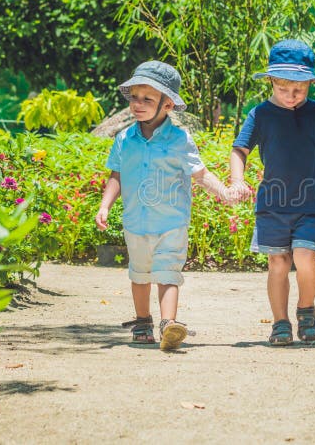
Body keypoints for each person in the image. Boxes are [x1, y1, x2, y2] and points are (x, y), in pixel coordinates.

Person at [227, 39, 315, 346]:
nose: (291, 96)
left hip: (310, 202)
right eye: (284, 88)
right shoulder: (260, 114)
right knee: (278, 263)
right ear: (272, 81)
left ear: (311, 84)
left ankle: (306, 309)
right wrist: (237, 180)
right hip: (272, 205)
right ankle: (280, 323)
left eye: (299, 89)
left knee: (305, 256)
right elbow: (240, 150)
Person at [96, 60, 227, 351]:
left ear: (167, 105)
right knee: (140, 273)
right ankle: (143, 322)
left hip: (171, 222)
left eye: (148, 99)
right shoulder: (123, 139)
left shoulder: (180, 139)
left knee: (168, 273)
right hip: (136, 221)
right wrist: (105, 205)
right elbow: (116, 175)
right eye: (134, 97)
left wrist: (224, 192)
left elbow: (200, 174)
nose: (138, 104)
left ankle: (169, 325)